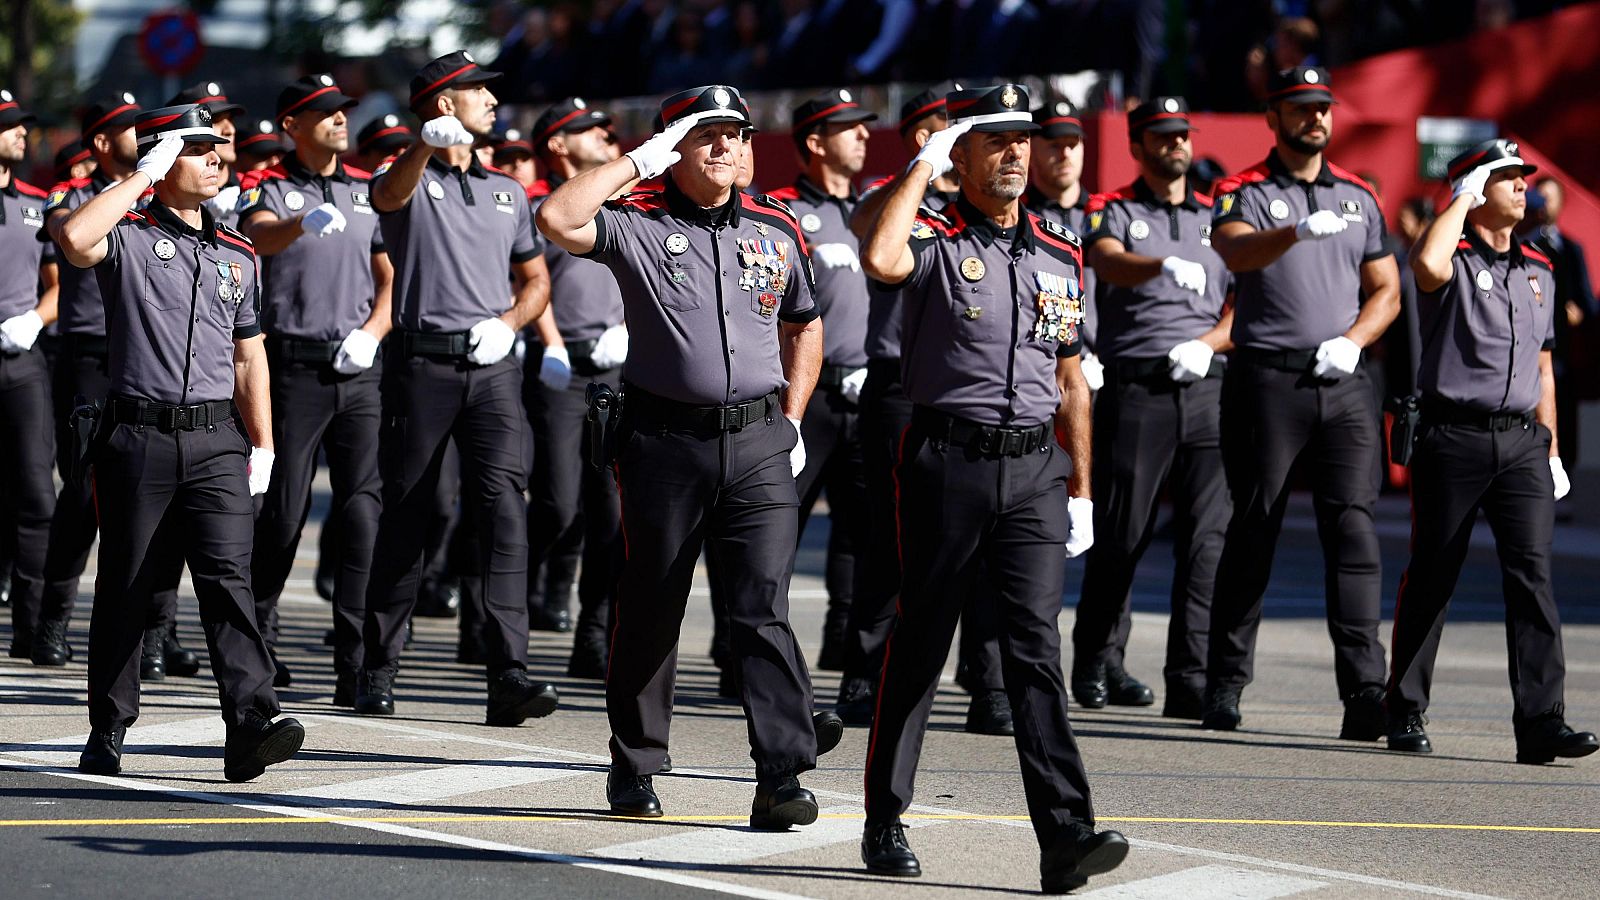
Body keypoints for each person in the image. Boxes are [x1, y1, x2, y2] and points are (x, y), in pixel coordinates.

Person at [538, 84, 844, 825]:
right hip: (664, 443)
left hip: (761, 440)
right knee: (652, 605)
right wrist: (635, 161)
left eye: (735, 134)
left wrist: (795, 418)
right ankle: (636, 762)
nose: (726, 147)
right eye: (706, 135)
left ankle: (780, 776)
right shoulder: (636, 221)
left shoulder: (776, 225)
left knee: (760, 604)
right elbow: (557, 217)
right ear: (673, 148)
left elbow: (805, 324)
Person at [857, 83, 1122, 891]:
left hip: (1036, 468)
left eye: (1022, 139)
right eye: (995, 140)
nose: (1015, 153)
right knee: (924, 638)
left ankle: (1064, 831)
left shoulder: (1059, 247)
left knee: (1033, 649)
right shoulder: (934, 233)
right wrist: (921, 166)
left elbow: (1071, 377)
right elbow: (880, 255)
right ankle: (885, 814)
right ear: (962, 156)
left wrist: (1079, 487)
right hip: (949, 461)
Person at [54, 103, 303, 780]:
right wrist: (139, 179)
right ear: (164, 161)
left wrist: (265, 444)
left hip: (216, 438)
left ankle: (250, 721)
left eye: (219, 147)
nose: (218, 158)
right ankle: (108, 725)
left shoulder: (238, 251)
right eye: (199, 150)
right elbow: (75, 239)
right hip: (137, 435)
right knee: (131, 586)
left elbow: (250, 356)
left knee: (229, 581)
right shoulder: (129, 232)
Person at [353, 51, 559, 726]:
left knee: (503, 509)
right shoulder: (410, 177)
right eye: (479, 94)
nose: (493, 104)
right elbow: (387, 197)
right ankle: (377, 664)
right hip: (423, 368)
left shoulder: (508, 190)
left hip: (492, 368)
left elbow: (535, 282)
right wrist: (421, 146)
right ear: (445, 105)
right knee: (413, 511)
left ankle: (510, 672)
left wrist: (510, 324)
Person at [1201, 67, 1400, 737]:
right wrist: (1292, 233)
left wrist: (1354, 340)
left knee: (1353, 531)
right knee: (1255, 527)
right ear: (1274, 116)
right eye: (1300, 108)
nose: (1315, 118)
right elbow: (1233, 251)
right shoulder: (1244, 191)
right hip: (1268, 380)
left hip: (1342, 380)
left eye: (1322, 108)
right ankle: (1225, 683)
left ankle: (1366, 694)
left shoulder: (1359, 195)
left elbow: (1386, 290)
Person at [1384, 139, 1597, 763]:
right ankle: (1406, 708)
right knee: (1434, 572)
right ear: (1475, 191)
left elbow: (1545, 366)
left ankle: (1541, 722)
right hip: (1454, 436)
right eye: (1505, 177)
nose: (1521, 186)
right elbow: (1424, 265)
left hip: (1522, 443)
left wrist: (1551, 447)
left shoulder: (1540, 267)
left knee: (1533, 578)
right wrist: (1461, 198)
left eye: (1520, 176)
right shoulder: (1448, 254)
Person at [841, 82, 1013, 737]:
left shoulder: (989, 205)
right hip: (901, 387)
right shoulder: (896, 198)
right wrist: (924, 169)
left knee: (989, 546)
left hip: (977, 388)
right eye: (961, 129)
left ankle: (989, 685)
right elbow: (867, 231)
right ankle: (865, 673)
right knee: (888, 538)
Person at [1073, 97, 1234, 720]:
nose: (1176, 145)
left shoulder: (1219, 216)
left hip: (1205, 382)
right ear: (1138, 145)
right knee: (1124, 532)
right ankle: (1095, 655)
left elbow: (1246, 298)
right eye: (1162, 137)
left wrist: (1208, 343)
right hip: (1137, 387)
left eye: (1182, 135)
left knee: (1206, 542)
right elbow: (1105, 258)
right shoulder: (1112, 209)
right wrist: (1161, 263)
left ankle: (1188, 676)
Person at [238, 73, 392, 702]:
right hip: (295, 368)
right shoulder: (269, 187)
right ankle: (261, 638)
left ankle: (357, 666)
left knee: (361, 517)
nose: (338, 119)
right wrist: (299, 225)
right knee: (282, 514)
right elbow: (258, 234)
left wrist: (373, 333)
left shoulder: (363, 192)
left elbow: (389, 278)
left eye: (341, 111)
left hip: (358, 369)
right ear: (291, 127)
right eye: (322, 112)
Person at [33, 94, 196, 676]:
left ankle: (158, 633)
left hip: (153, 361)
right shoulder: (74, 195)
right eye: (128, 128)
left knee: (169, 499)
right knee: (81, 493)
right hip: (92, 357)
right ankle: (49, 619)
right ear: (103, 142)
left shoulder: (170, 193)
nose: (144, 134)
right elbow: (66, 233)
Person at [766, 89, 875, 673]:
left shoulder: (872, 207)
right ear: (814, 142)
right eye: (848, 128)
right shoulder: (783, 210)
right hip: (805, 392)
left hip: (867, 391)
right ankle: (746, 649)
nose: (862, 136)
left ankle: (844, 648)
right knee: (780, 524)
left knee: (860, 535)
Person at [522, 96, 625, 676]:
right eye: (587, 130)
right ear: (559, 144)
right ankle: (528, 590)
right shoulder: (540, 209)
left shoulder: (624, 208)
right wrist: (555, 343)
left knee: (610, 513)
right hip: (560, 368)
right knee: (559, 503)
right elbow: (532, 282)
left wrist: (626, 329)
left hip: (615, 368)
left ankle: (594, 635)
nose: (601, 137)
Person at [0, 88, 61, 664]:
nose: (22, 131)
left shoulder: (36, 202)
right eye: (10, 125)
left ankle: (31, 626)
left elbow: (57, 291)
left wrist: (30, 322)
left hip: (20, 361)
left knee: (37, 496)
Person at [1026, 99, 1102, 390]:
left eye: (1073, 144)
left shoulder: (1106, 214)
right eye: (1054, 145)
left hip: (1101, 365)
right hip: (1037, 368)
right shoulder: (1016, 216)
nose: (1065, 154)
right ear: (1032, 150)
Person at [1525, 177, 1597, 473]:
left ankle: (1562, 468)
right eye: (1539, 197)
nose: (1544, 205)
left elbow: (1587, 297)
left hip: (1564, 348)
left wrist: (1580, 311)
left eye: (1550, 198)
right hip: (1532, 345)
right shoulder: (1524, 245)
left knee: (1564, 411)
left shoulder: (1571, 247)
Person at [167, 82, 246, 227]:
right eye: (214, 120)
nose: (230, 130)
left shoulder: (252, 187)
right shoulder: (157, 196)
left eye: (230, 119)